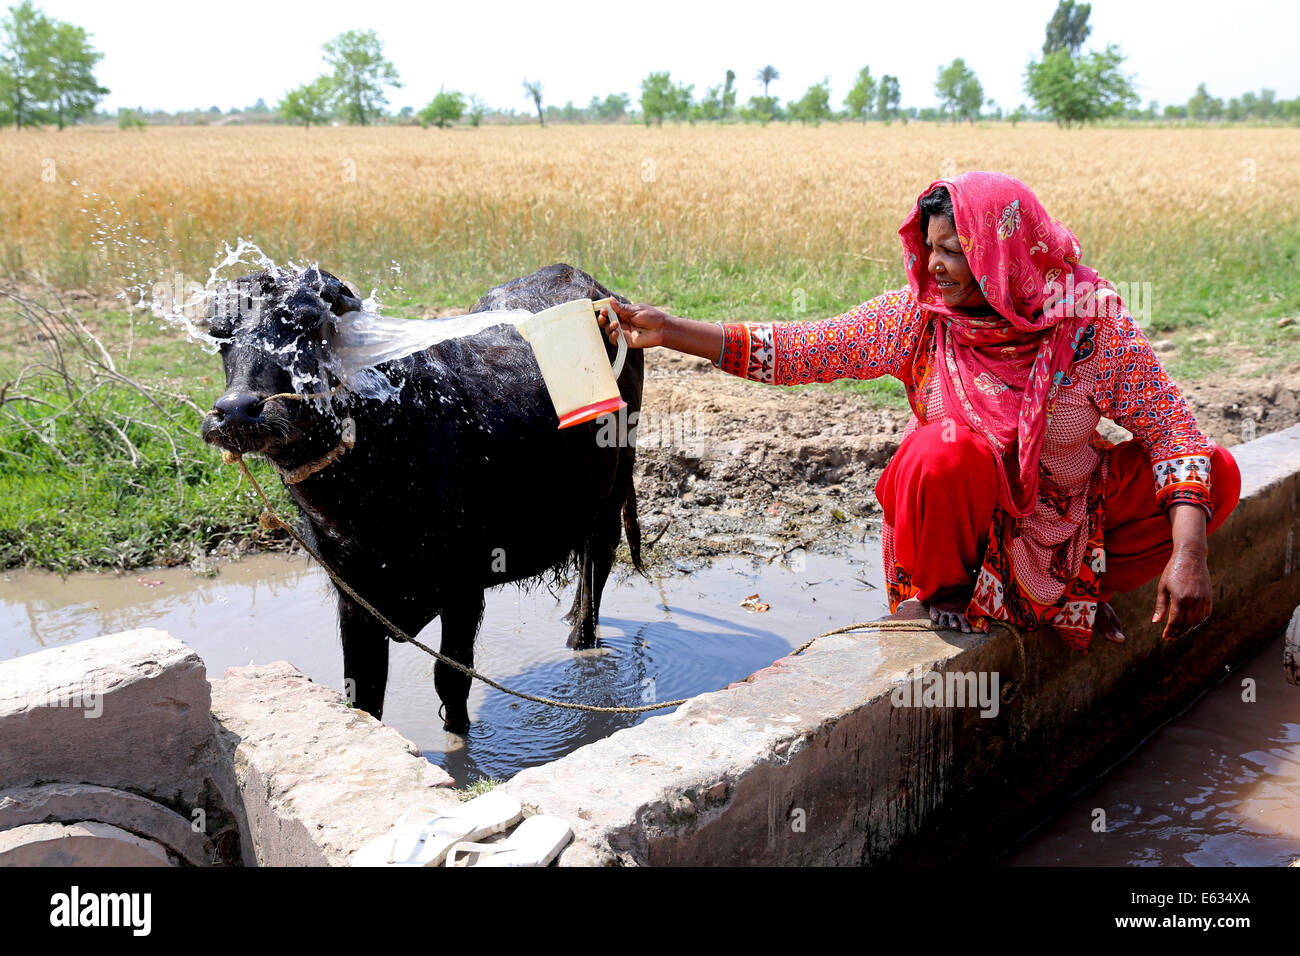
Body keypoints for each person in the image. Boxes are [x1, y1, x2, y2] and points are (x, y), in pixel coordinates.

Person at [598, 170, 1241, 649]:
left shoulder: (1086, 322)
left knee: (1215, 473)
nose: (934, 265)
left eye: (954, 251)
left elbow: (1172, 430)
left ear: (1003, 254)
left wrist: (1190, 556)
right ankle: (949, 599)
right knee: (942, 450)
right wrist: (671, 329)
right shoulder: (920, 319)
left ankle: (1070, 589)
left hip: (1062, 521)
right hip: (959, 533)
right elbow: (803, 349)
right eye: (930, 247)